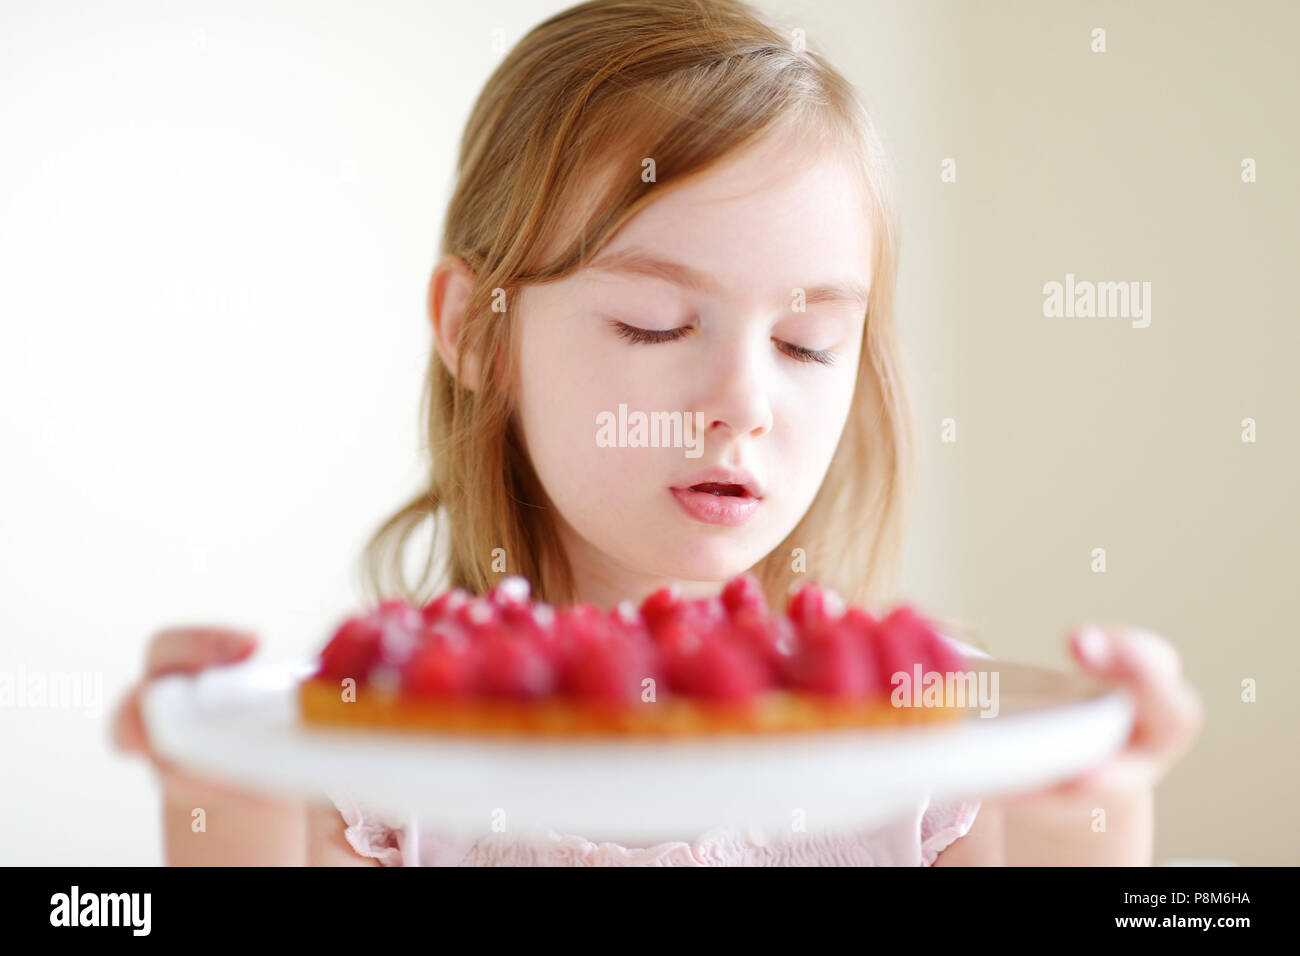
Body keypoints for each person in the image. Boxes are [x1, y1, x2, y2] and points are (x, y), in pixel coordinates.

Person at [112, 0, 1203, 866]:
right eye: (656, 323)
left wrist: (1083, 806)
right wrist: (221, 791)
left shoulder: (939, 746)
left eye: (810, 341)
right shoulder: (378, 755)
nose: (743, 402)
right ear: (478, 333)